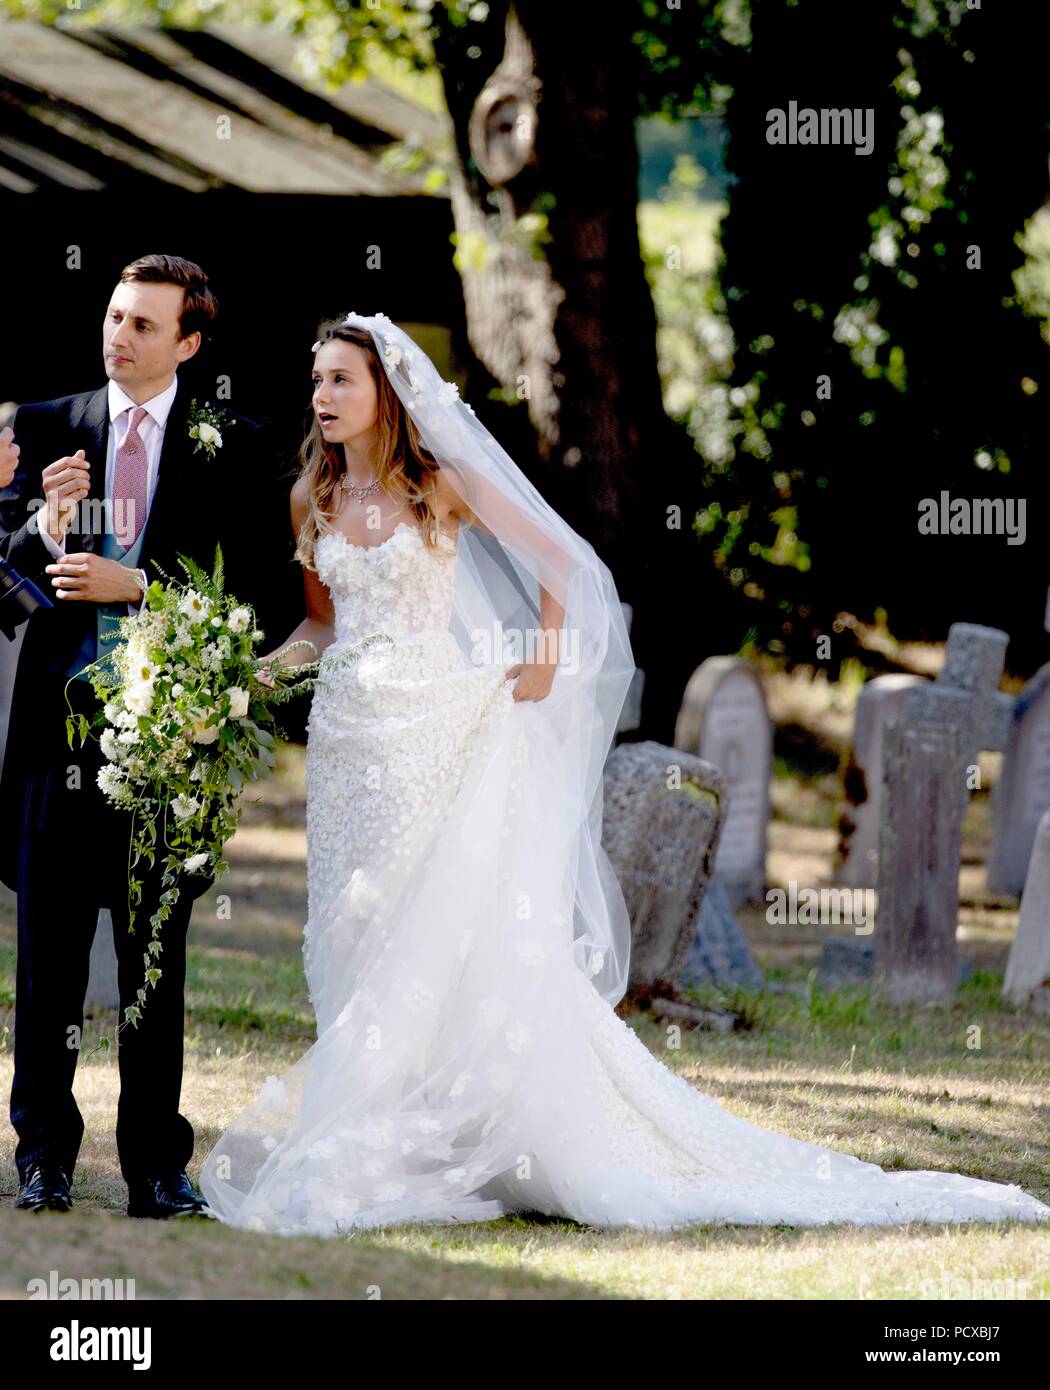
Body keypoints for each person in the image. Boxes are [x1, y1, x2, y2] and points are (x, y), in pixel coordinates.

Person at [200, 313, 1050, 1235]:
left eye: (342, 382)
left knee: (441, 924)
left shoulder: (436, 486)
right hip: (350, 742)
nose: (324, 398)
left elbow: (562, 557)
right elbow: (321, 627)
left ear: (387, 395)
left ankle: (454, 1122)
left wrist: (544, 655)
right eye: (318, 382)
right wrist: (249, 674)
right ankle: (392, 1115)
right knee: (355, 923)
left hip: (442, 730)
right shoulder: (308, 500)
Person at [0, 254, 300, 1218]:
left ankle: (156, 1168)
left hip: (171, 738)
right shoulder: (46, 424)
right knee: (45, 958)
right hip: (57, 733)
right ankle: (41, 1155)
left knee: (154, 955)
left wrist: (149, 588)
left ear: (190, 342)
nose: (118, 336)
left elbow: (262, 597)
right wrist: (45, 530)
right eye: (114, 316)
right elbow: (1, 562)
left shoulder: (237, 445)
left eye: (142, 324)